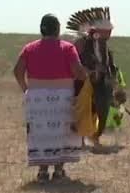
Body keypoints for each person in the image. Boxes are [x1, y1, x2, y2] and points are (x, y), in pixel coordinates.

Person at [15, 14, 85, 182]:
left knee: (41, 133)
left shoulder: (29, 48)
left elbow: (18, 71)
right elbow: (78, 72)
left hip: (37, 99)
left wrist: (26, 89)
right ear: (58, 29)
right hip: (62, 99)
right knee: (62, 133)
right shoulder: (68, 48)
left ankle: (42, 171)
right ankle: (59, 170)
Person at [67, 7, 120, 148]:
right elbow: (74, 62)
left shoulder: (105, 47)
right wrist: (88, 72)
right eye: (108, 31)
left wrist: (113, 78)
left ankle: (95, 137)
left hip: (102, 82)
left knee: (101, 109)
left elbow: (110, 64)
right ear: (99, 31)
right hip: (83, 81)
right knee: (84, 109)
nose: (110, 34)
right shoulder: (81, 43)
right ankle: (82, 139)